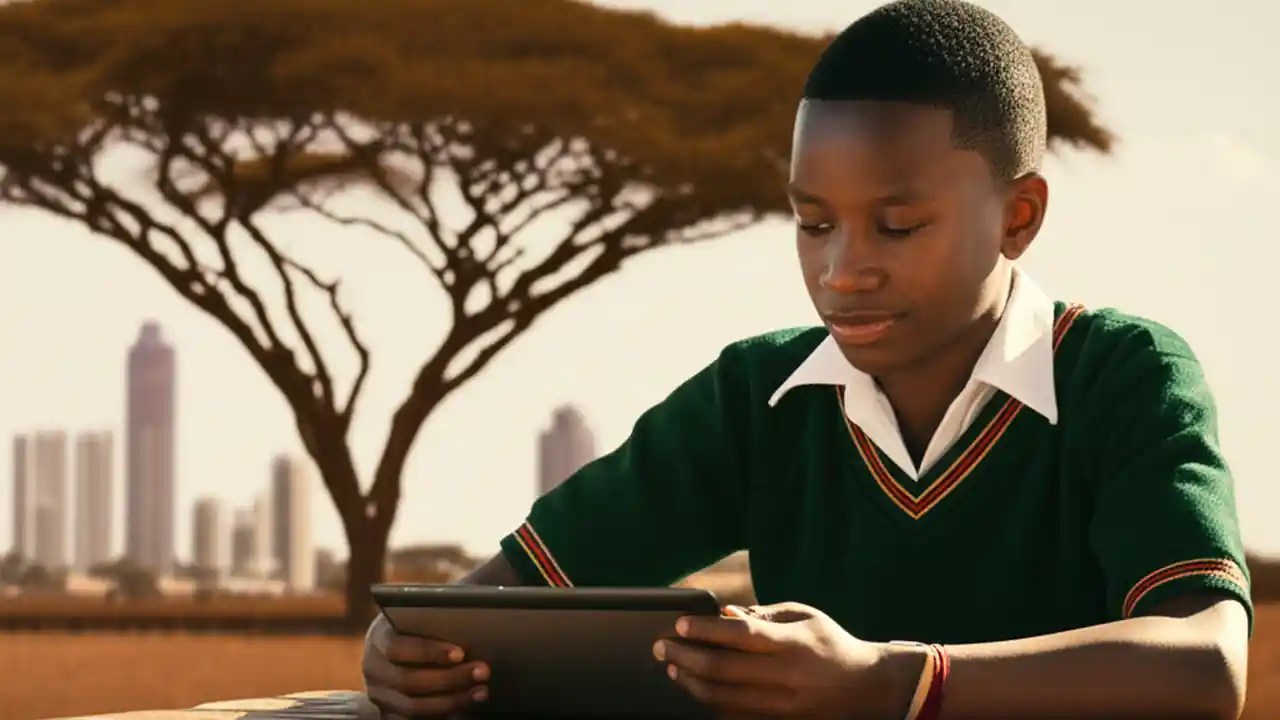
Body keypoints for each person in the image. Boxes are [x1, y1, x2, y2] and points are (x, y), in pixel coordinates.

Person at [361, 1, 1251, 717]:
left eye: (897, 226)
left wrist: (892, 681)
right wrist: (408, 647)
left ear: (1018, 216)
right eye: (813, 221)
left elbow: (1205, 662)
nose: (842, 269)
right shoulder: (758, 396)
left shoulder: (1123, 374)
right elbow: (503, 599)